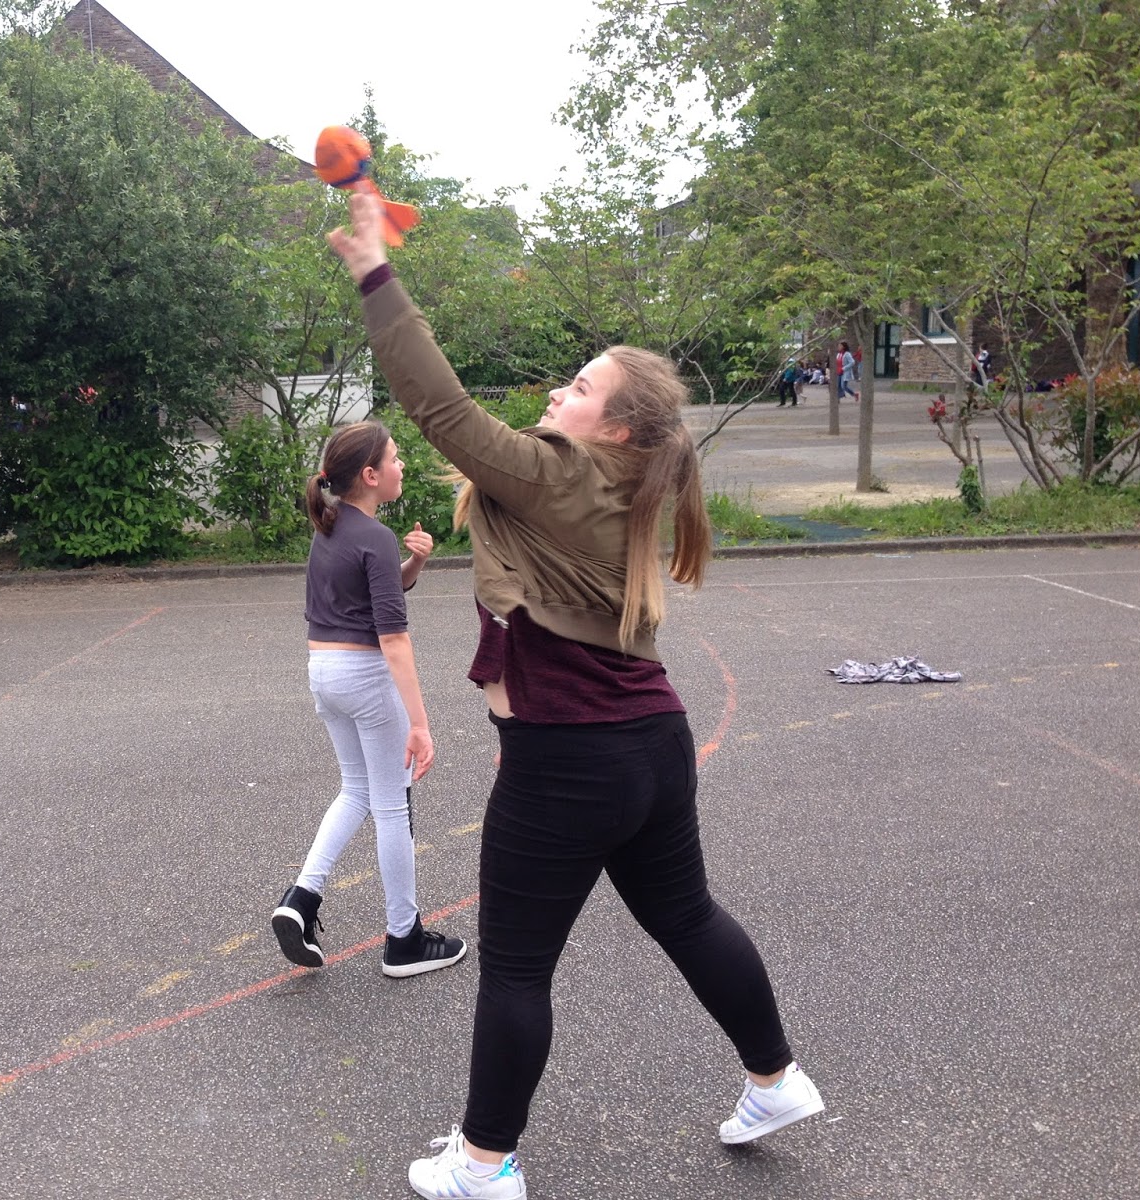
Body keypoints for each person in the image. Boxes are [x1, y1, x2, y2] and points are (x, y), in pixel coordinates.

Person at [326, 191, 824, 1200]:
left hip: (570, 761)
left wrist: (377, 272)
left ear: (618, 425)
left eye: (582, 385)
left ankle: (484, 1163)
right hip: (650, 744)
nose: (561, 390)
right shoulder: (629, 485)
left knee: (516, 966)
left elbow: (441, 410)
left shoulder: (561, 471)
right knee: (688, 917)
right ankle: (776, 1081)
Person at [270, 420, 468, 980]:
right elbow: (393, 638)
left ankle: (301, 898)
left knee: (356, 789)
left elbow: (372, 591)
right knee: (392, 805)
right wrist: (420, 724)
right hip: (364, 676)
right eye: (396, 458)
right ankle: (404, 939)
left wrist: (416, 564)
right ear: (371, 475)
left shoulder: (331, 526)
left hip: (323, 672)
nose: (402, 466)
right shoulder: (374, 536)